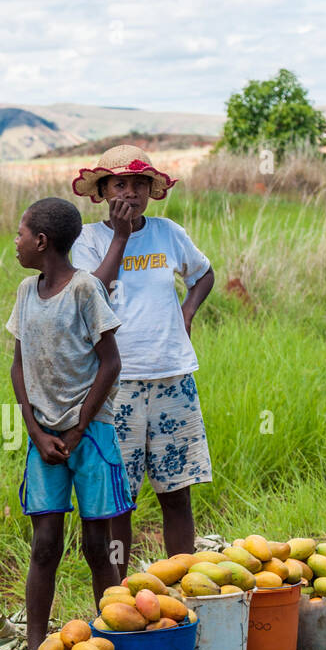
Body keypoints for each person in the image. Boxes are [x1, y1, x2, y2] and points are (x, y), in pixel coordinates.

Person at [71, 145, 214, 574]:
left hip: (172, 376)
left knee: (177, 493)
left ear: (151, 190)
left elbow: (203, 273)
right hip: (117, 385)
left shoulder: (168, 232)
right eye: (120, 184)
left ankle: (183, 585)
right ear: (102, 192)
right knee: (119, 500)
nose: (129, 193)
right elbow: (92, 294)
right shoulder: (88, 240)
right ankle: (120, 596)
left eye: (138, 184)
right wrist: (120, 235)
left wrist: (186, 311)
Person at [8, 197, 134, 650]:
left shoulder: (84, 290)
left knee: (97, 546)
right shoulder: (26, 293)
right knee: (45, 546)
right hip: (44, 441)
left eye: (20, 233)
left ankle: (113, 637)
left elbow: (110, 363)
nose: (16, 242)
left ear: (41, 242)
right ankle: (34, 647)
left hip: (90, 437)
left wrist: (78, 429)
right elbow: (17, 366)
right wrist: (36, 432)